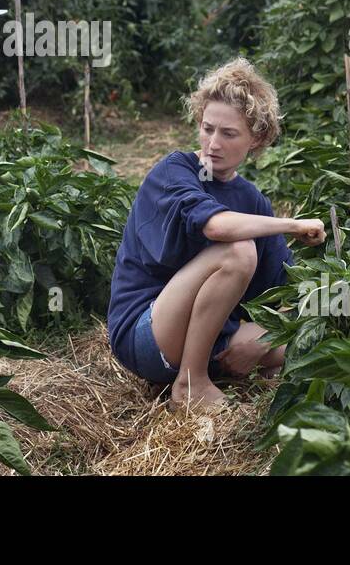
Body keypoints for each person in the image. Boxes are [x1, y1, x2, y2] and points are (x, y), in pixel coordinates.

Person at [107, 57, 326, 411]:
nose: (213, 144)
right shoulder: (175, 170)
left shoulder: (252, 200)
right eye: (207, 129)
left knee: (296, 344)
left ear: (256, 139)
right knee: (238, 251)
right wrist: (293, 225)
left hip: (212, 336)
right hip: (147, 332)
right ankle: (191, 384)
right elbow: (216, 226)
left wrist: (262, 343)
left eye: (228, 134)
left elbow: (285, 290)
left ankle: (223, 369)